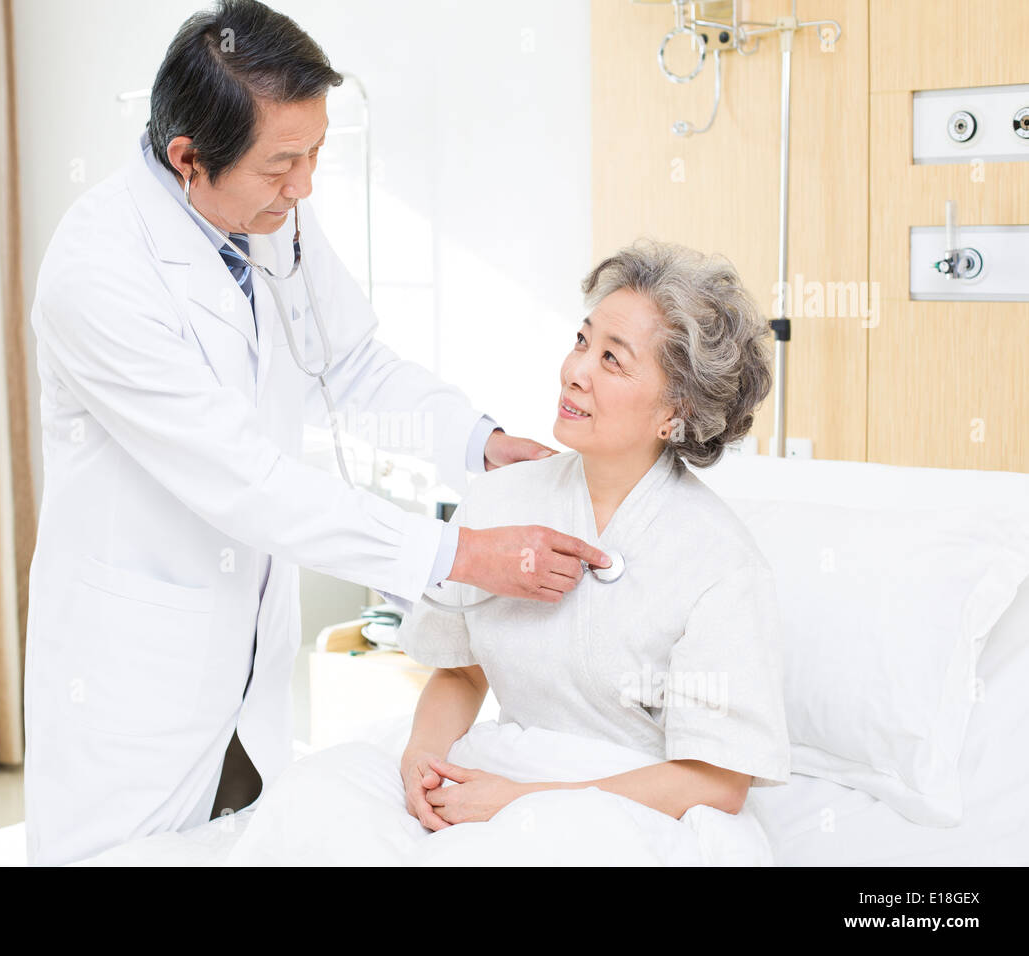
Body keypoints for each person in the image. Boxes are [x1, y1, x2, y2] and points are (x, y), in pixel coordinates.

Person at [22, 0, 607, 866]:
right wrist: (462, 554)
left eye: (315, 155)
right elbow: (247, 481)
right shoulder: (98, 274)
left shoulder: (265, 214)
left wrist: (478, 443)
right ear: (187, 159)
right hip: (133, 681)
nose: (303, 188)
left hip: (248, 661)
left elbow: (352, 366)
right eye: (282, 165)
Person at [223, 240, 792, 866]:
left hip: (636, 808)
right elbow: (462, 671)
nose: (576, 371)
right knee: (312, 799)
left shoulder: (719, 560)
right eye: (582, 341)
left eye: (612, 359)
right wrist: (422, 761)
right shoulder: (503, 498)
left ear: (674, 410)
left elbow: (717, 782)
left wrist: (525, 801)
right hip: (498, 771)